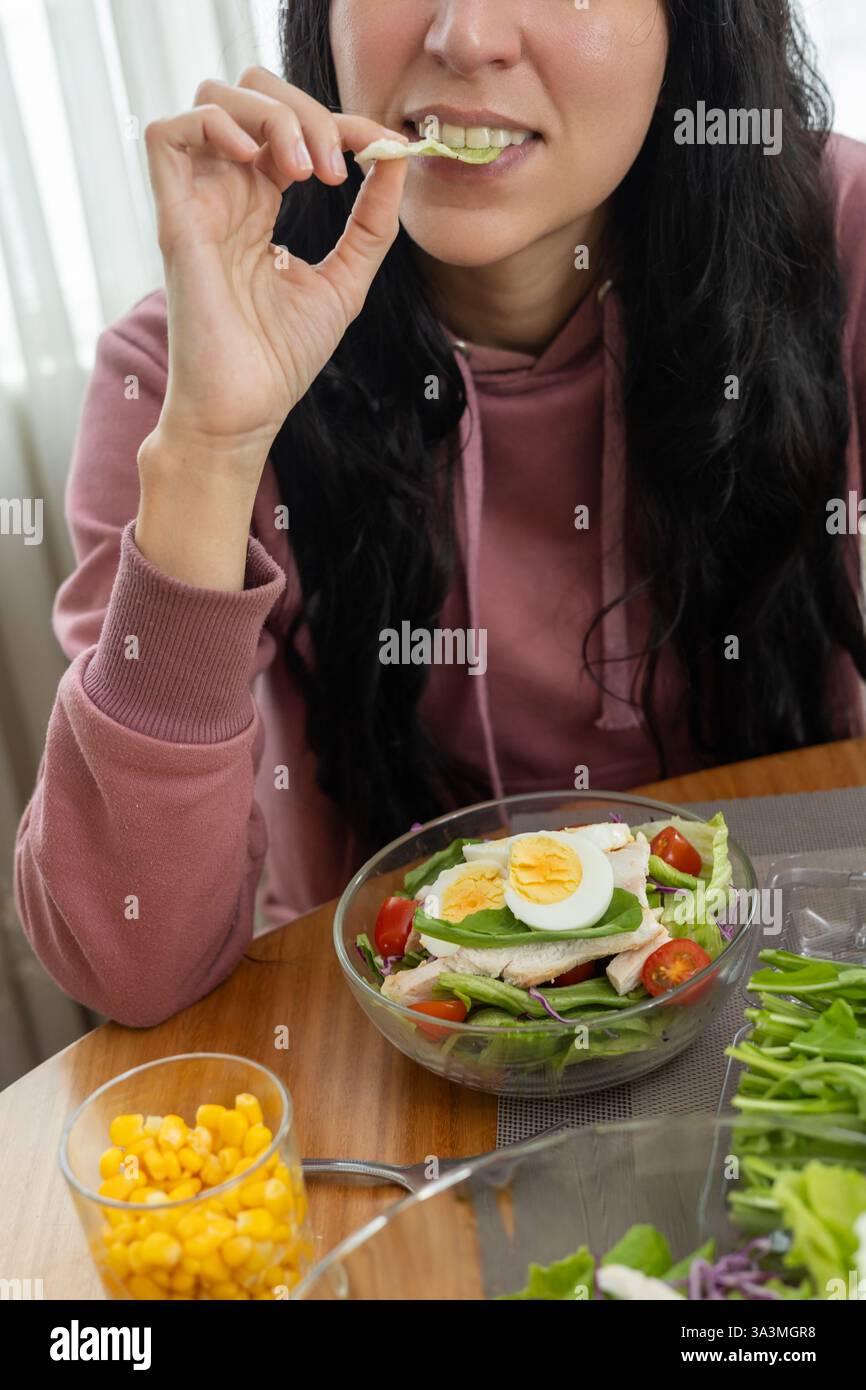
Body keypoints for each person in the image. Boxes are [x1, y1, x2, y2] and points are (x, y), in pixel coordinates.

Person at [14, 1, 866, 1026]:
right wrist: (210, 448)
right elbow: (129, 963)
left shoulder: (837, 244)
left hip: (795, 1001)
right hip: (397, 1063)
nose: (465, 37)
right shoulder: (182, 372)